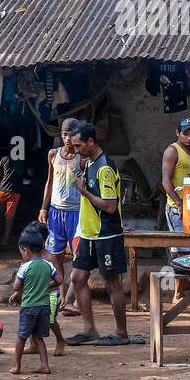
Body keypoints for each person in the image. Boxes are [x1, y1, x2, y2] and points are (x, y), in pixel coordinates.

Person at [65, 121, 131, 346]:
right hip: (89, 233)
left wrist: (83, 191)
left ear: (91, 142)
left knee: (112, 282)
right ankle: (89, 329)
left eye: (78, 145)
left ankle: (121, 332)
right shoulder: (90, 163)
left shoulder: (104, 167)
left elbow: (110, 206)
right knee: (77, 277)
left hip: (106, 233)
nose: (75, 150)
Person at [39, 117, 82, 316]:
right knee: (55, 256)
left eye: (71, 134)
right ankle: (63, 294)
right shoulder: (53, 154)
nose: (67, 138)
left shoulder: (82, 158)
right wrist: (43, 209)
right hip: (56, 211)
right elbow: (49, 182)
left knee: (78, 256)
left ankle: (72, 298)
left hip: (76, 212)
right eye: (64, 134)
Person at [9, 227, 61, 374]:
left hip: (29, 308)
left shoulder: (25, 267)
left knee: (21, 337)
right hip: (44, 307)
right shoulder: (48, 264)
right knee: (38, 337)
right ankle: (45, 365)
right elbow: (59, 280)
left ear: (26, 250)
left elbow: (16, 285)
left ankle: (17, 366)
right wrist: (46, 284)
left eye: (21, 252)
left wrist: (20, 288)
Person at [160, 117, 190, 247]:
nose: (189, 138)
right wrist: (179, 203)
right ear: (177, 133)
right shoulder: (172, 151)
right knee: (181, 247)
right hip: (177, 208)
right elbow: (165, 181)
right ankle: (175, 267)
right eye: (185, 134)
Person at [0, 151, 22, 246]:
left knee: (1, 210)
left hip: (2, 189)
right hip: (14, 190)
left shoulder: (4, 158)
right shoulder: (21, 160)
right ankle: (5, 240)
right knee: (9, 216)